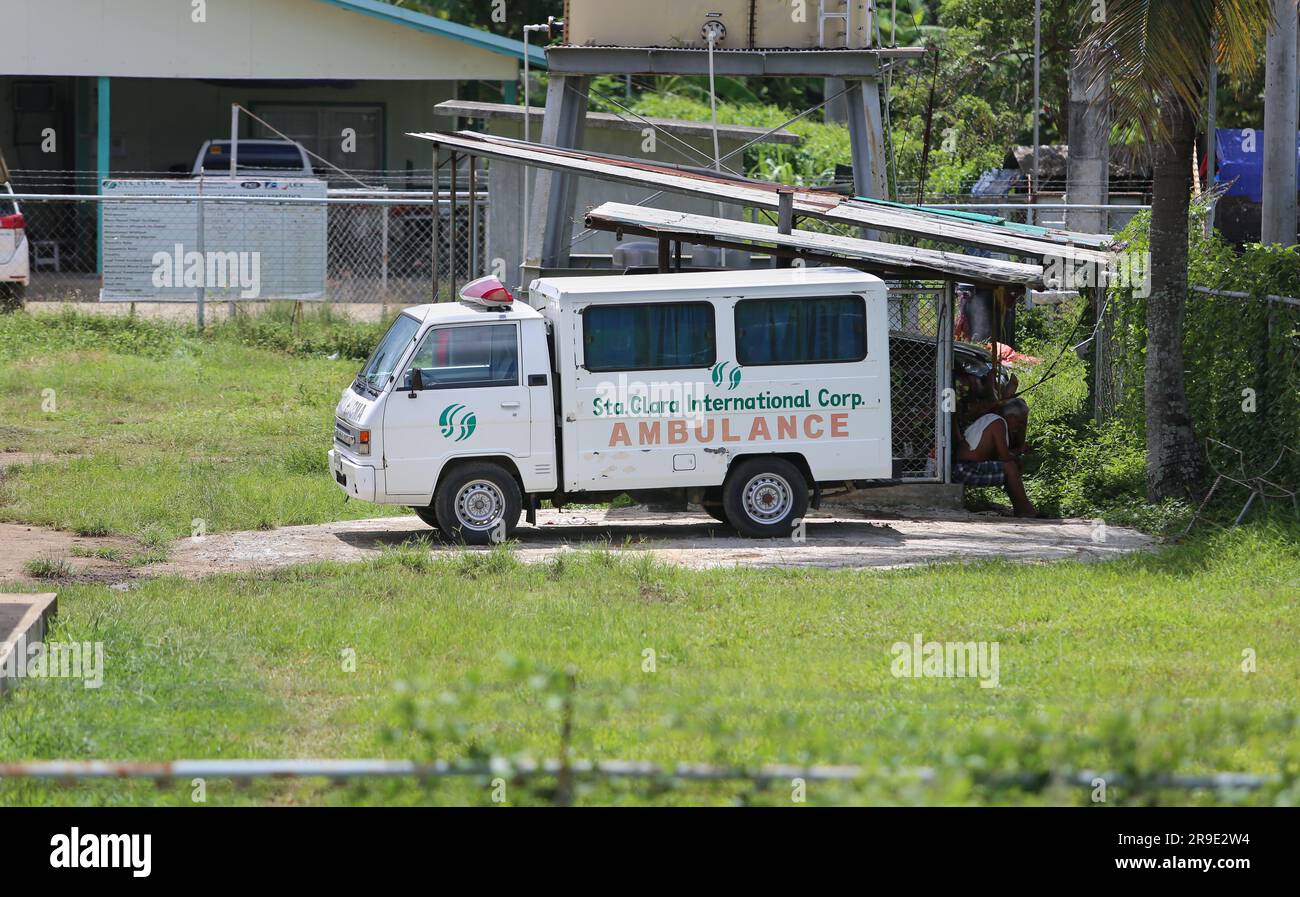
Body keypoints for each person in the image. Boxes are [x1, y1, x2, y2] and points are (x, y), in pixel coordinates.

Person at [953, 397, 1039, 517]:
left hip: (965, 467)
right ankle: (1025, 509)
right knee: (1010, 467)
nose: (1019, 427)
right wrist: (1019, 452)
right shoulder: (998, 423)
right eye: (1019, 422)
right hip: (966, 469)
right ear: (1012, 416)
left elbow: (999, 456)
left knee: (1011, 467)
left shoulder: (991, 419)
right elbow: (1004, 457)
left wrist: (1016, 454)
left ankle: (1021, 508)